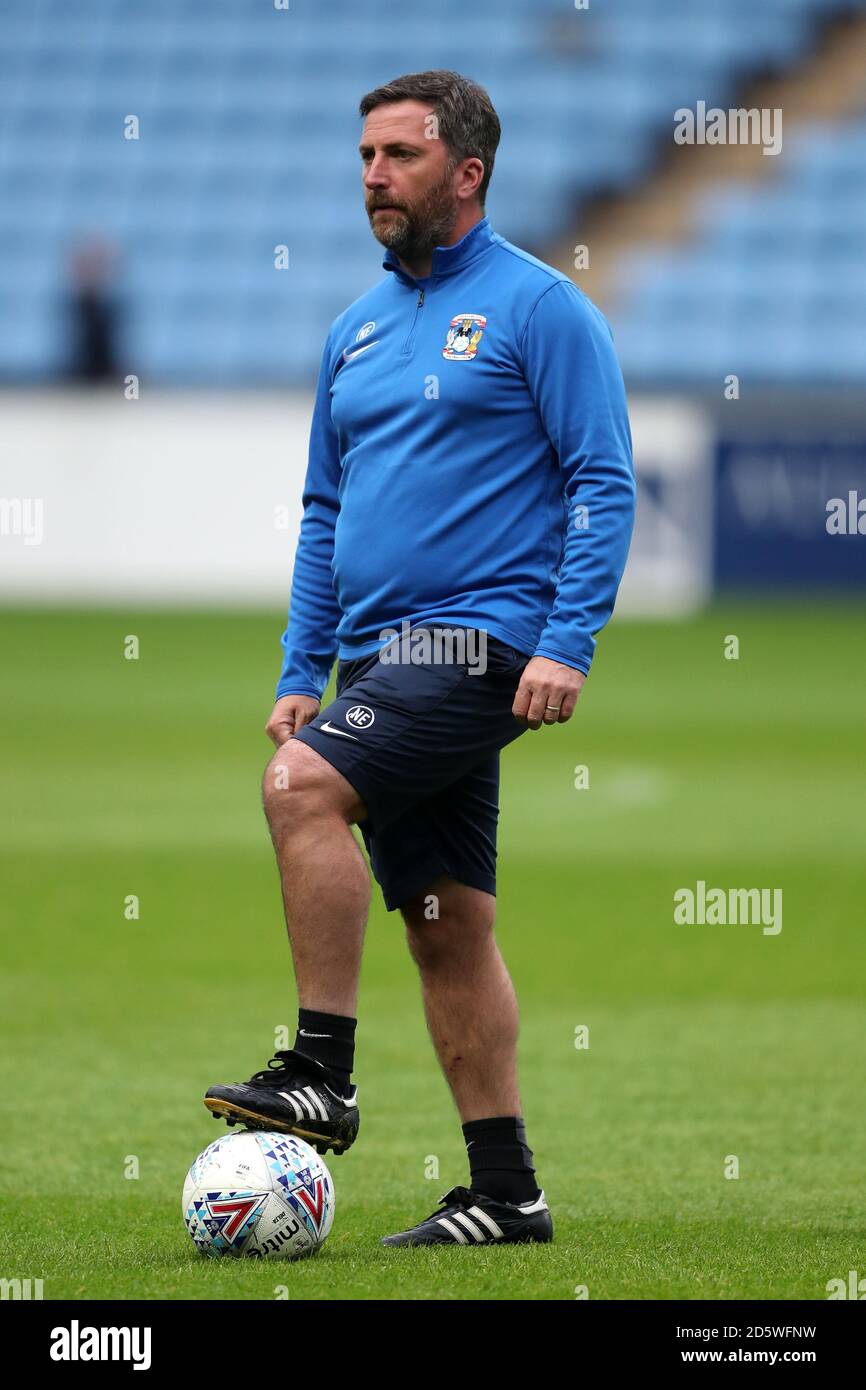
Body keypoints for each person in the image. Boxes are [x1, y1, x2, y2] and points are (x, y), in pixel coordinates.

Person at [205, 70, 635, 1248]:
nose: (372, 178)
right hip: (375, 664)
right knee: (445, 925)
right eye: (363, 157)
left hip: (477, 644)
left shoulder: (542, 310)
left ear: (466, 171)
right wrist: (303, 668)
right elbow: (321, 509)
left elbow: (601, 480)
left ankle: (321, 1070)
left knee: (298, 790)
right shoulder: (351, 330)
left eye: (396, 155)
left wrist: (565, 641)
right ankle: (506, 1192)